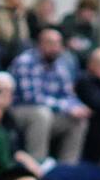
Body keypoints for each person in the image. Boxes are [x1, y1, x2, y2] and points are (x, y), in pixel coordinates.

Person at [8, 27, 91, 163]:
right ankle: (38, 163)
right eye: (51, 44)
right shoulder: (25, 61)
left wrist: (78, 107)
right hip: (20, 110)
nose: (56, 48)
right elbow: (32, 97)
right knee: (42, 114)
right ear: (40, 44)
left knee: (78, 120)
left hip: (49, 111)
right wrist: (67, 108)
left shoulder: (60, 64)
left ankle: (67, 167)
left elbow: (68, 94)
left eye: (58, 44)